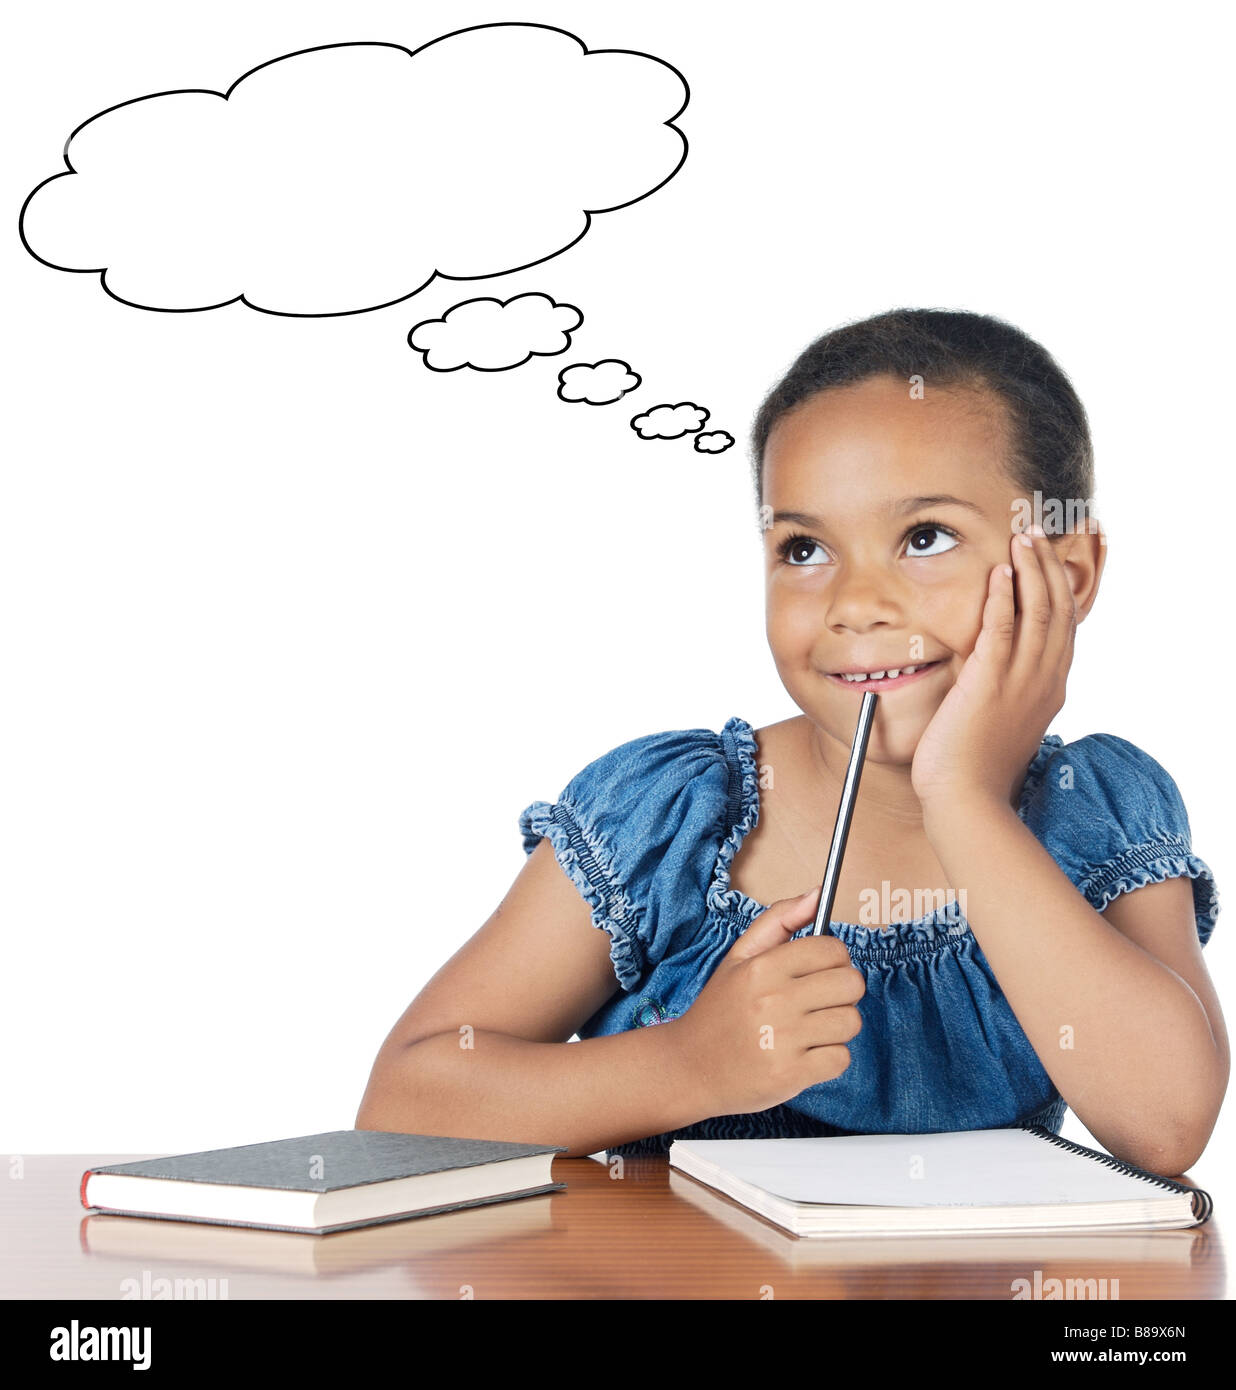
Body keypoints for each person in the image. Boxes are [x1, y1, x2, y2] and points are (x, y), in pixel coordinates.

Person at [356, 308, 1227, 1173]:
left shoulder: (1094, 813)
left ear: (1065, 576)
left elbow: (1165, 1124)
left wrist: (963, 798)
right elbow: (403, 1107)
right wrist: (688, 1064)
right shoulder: (674, 817)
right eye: (805, 549)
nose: (854, 604)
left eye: (925, 538)